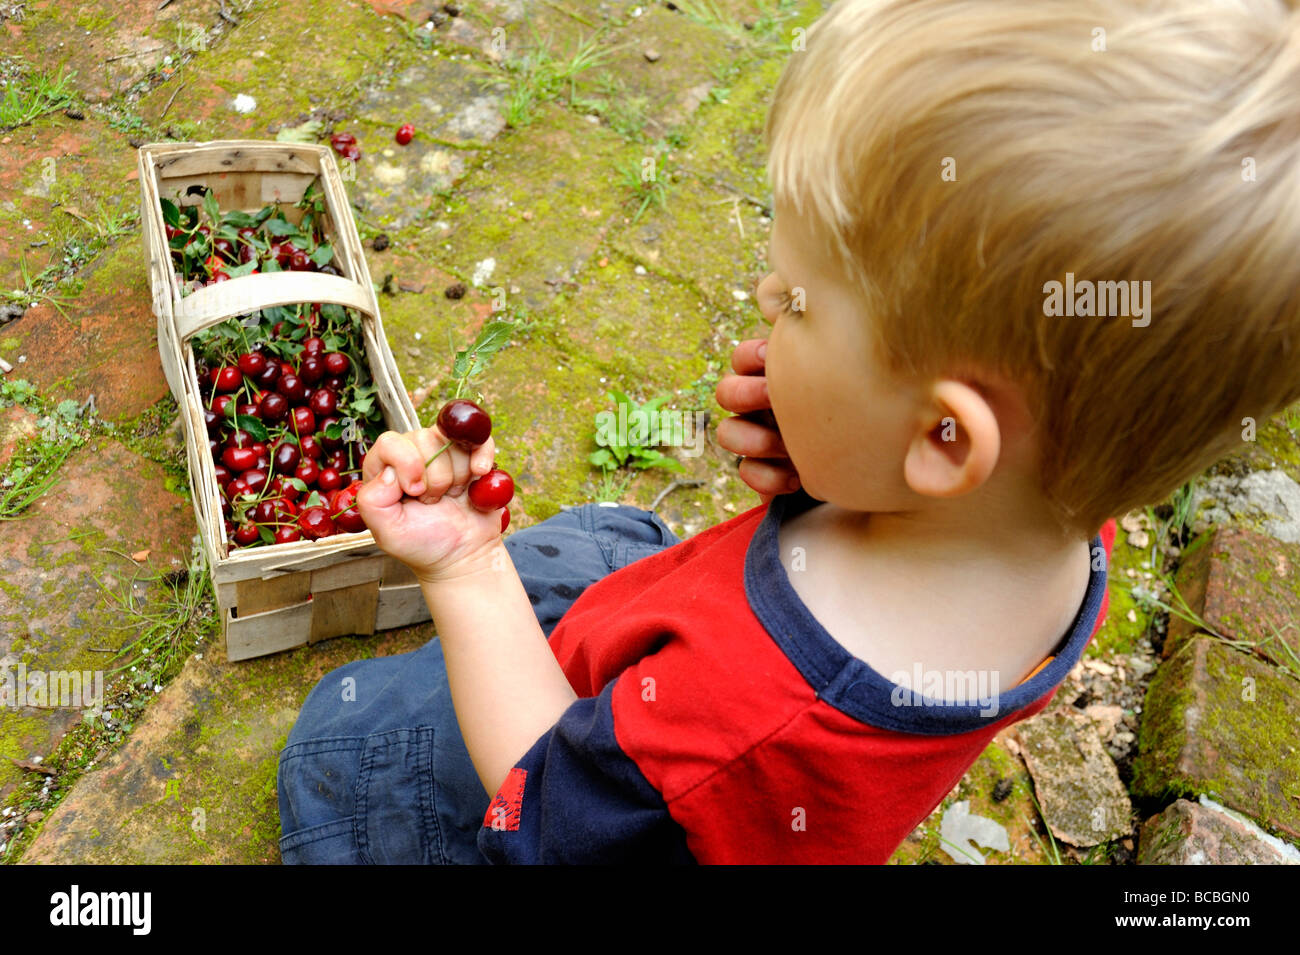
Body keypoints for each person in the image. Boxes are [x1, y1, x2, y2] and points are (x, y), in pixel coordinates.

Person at [277, 0, 1300, 863]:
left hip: (551, 790)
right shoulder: (1059, 518)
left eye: (799, 302)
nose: (766, 293)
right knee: (606, 550)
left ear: (947, 437)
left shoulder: (738, 715)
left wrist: (464, 568)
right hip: (691, 698)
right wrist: (830, 467)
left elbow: (541, 802)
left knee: (343, 745)